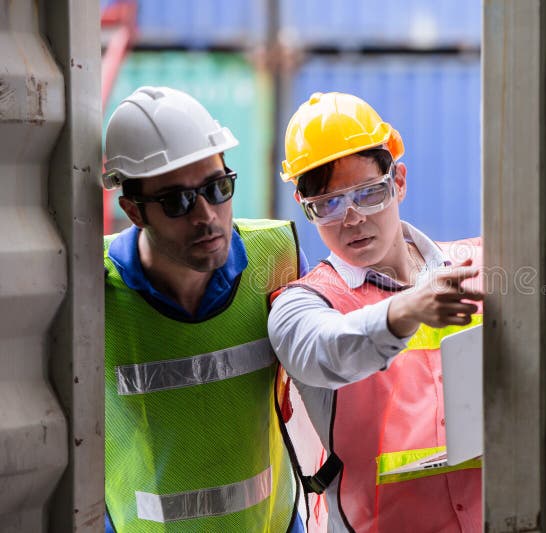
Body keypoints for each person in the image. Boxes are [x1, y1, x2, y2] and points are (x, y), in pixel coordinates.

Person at [269, 91, 484, 532]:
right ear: (306, 209)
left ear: (398, 182)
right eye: (328, 204)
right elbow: (325, 349)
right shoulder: (301, 306)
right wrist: (405, 309)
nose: (351, 218)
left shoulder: (479, 264)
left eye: (368, 194)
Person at [101, 86, 308, 532]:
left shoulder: (278, 258)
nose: (207, 215)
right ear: (134, 211)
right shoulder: (92, 289)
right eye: (177, 201)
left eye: (218, 188)